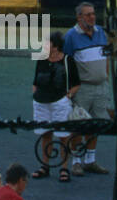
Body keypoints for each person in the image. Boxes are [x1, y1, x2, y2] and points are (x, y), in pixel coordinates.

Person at [64, 2, 112, 175]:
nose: (92, 17)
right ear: (79, 17)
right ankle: (76, 162)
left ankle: (90, 160)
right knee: (78, 125)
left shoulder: (101, 33)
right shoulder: (70, 36)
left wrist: (105, 79)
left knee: (96, 125)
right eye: (88, 14)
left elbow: (106, 58)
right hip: (82, 89)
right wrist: (70, 89)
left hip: (101, 87)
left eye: (93, 14)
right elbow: (66, 63)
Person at [31, 30, 80, 182]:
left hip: (60, 102)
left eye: (48, 42)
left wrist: (67, 97)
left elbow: (76, 83)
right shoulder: (41, 59)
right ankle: (45, 166)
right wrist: (35, 95)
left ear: (56, 46)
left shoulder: (68, 60)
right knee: (45, 134)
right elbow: (35, 81)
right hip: (41, 102)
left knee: (63, 136)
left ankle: (64, 167)